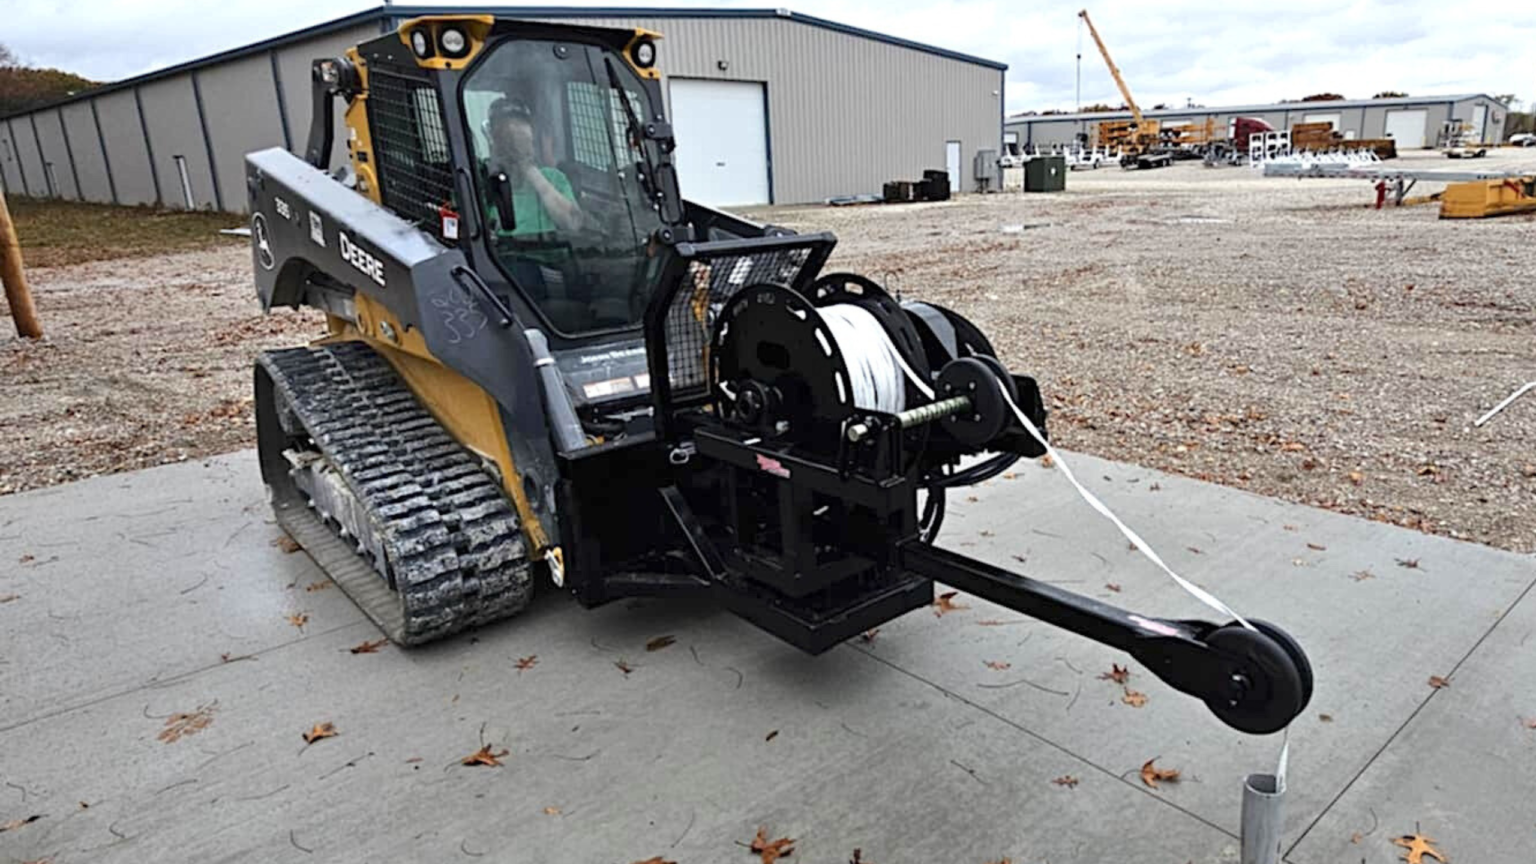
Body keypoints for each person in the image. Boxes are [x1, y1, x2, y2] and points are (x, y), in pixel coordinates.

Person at [484, 96, 583, 235]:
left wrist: (528, 166)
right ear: (494, 138)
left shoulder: (553, 178)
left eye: (520, 136)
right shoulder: (481, 179)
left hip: (551, 253)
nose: (514, 144)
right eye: (506, 137)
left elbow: (572, 222)